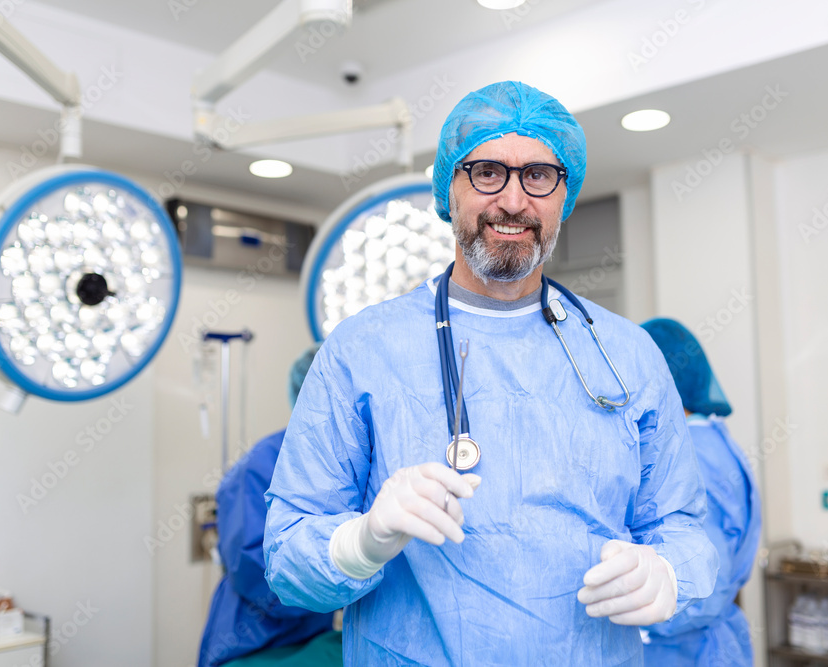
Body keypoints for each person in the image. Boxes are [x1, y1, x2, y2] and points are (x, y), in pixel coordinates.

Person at [264, 81, 718, 665]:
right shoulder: (361, 351)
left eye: (539, 176)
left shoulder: (626, 354)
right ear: (449, 189)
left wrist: (671, 573)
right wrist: (362, 541)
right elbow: (285, 558)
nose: (512, 200)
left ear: (565, 195)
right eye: (486, 172)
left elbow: (684, 528)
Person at [198, 344, 342, 667]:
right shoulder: (261, 465)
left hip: (311, 636)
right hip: (253, 641)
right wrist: (339, 583)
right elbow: (253, 569)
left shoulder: (339, 461)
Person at [639, 318, 763, 666]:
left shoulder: (690, 453)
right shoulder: (710, 439)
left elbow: (703, 586)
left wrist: (633, 621)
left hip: (687, 647)